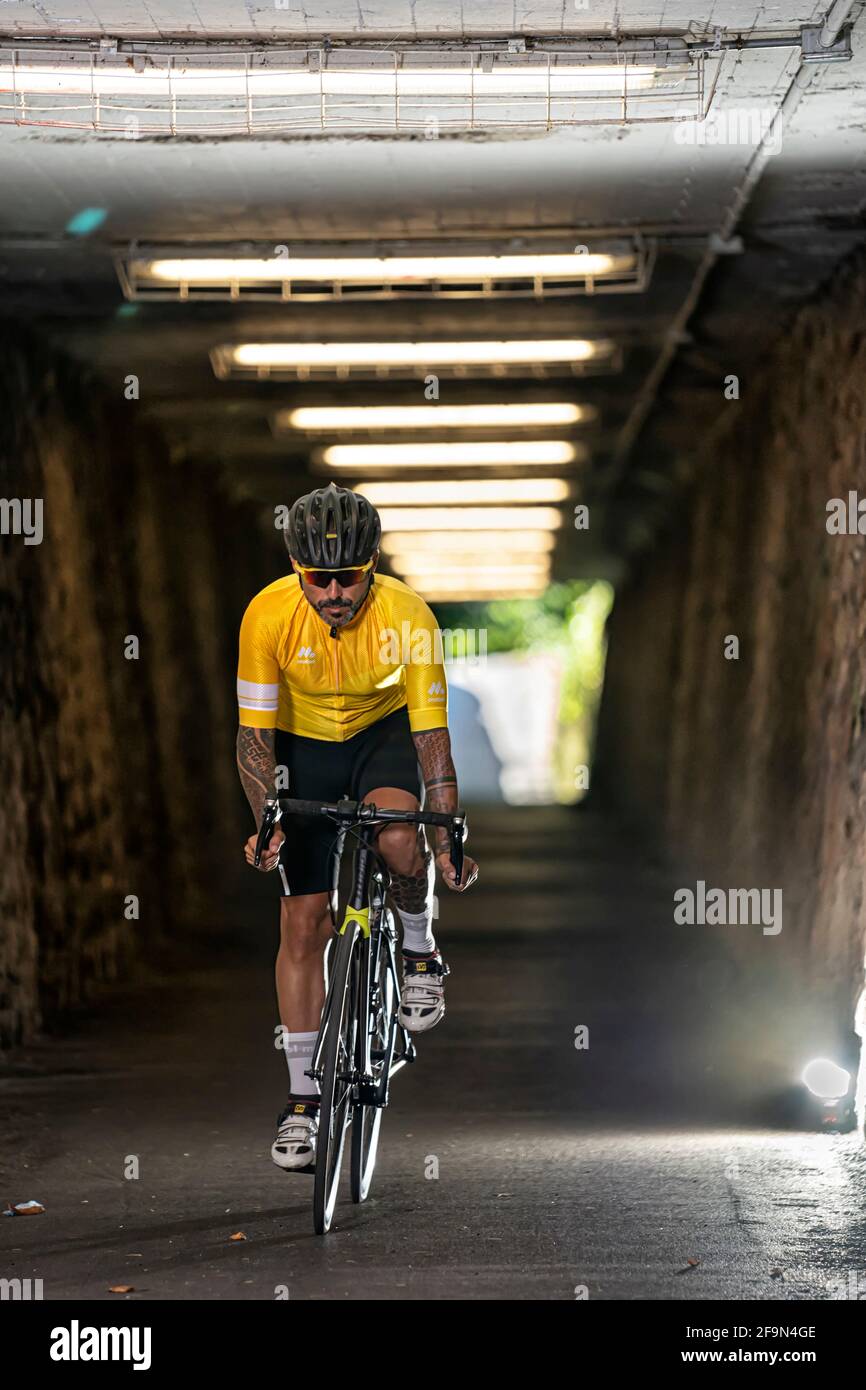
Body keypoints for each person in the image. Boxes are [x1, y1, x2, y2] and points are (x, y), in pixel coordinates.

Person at [236, 481, 478, 1171]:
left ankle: (419, 947)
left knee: (399, 836)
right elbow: (253, 739)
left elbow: (432, 741)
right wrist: (266, 821)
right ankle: (303, 1102)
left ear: (373, 567)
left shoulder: (409, 614)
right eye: (320, 579)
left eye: (350, 578)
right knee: (303, 920)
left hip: (383, 733)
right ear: (296, 571)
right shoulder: (267, 617)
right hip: (303, 743)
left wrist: (444, 837)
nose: (335, 592)